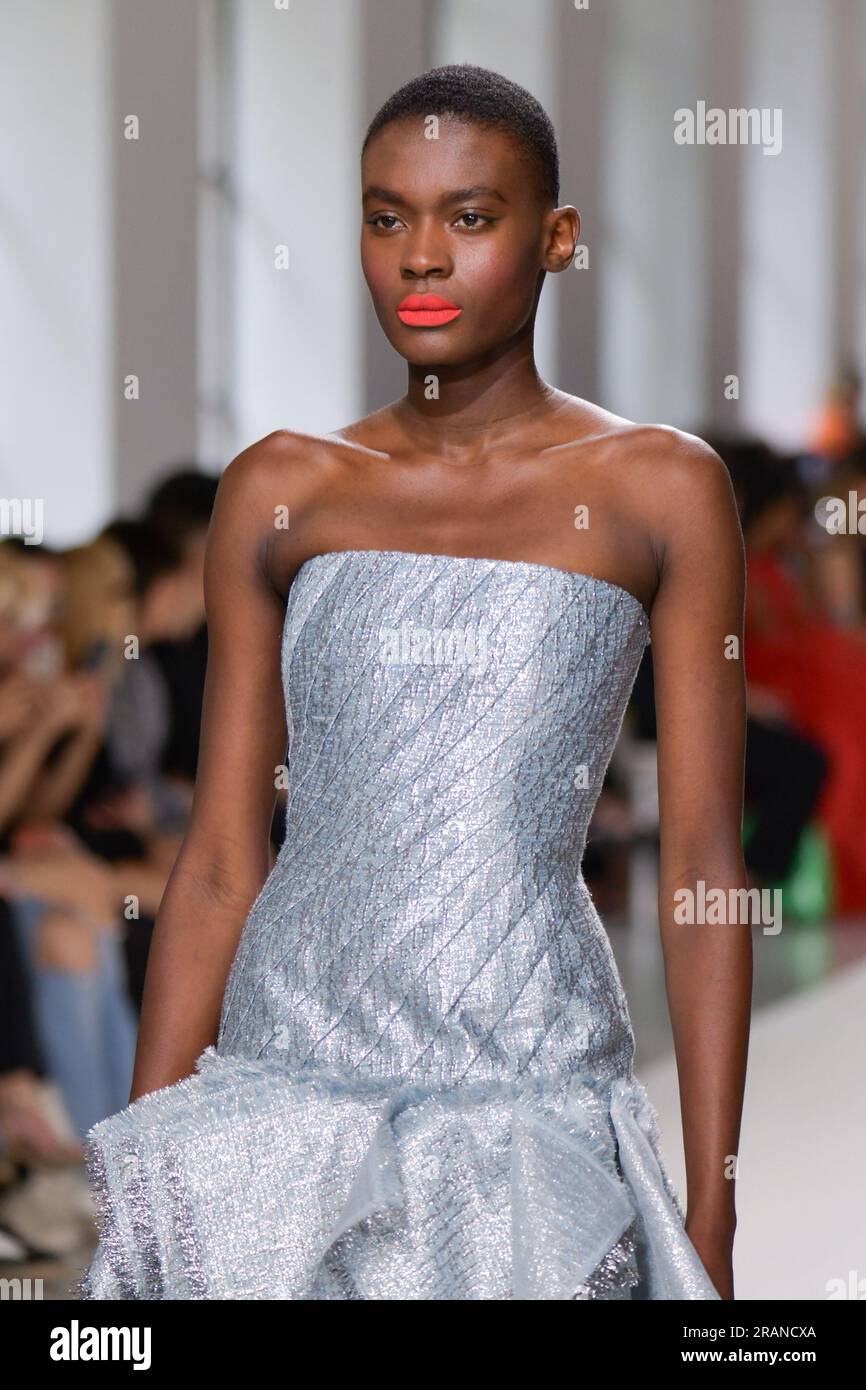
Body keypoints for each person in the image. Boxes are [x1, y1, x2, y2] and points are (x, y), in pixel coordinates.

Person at [80, 65, 750, 1301]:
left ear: (556, 238)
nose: (421, 259)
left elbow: (705, 861)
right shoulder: (282, 487)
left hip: (526, 1083)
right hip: (286, 1079)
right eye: (386, 217)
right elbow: (224, 853)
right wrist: (150, 1188)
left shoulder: (661, 487)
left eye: (470, 217)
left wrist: (708, 1199)